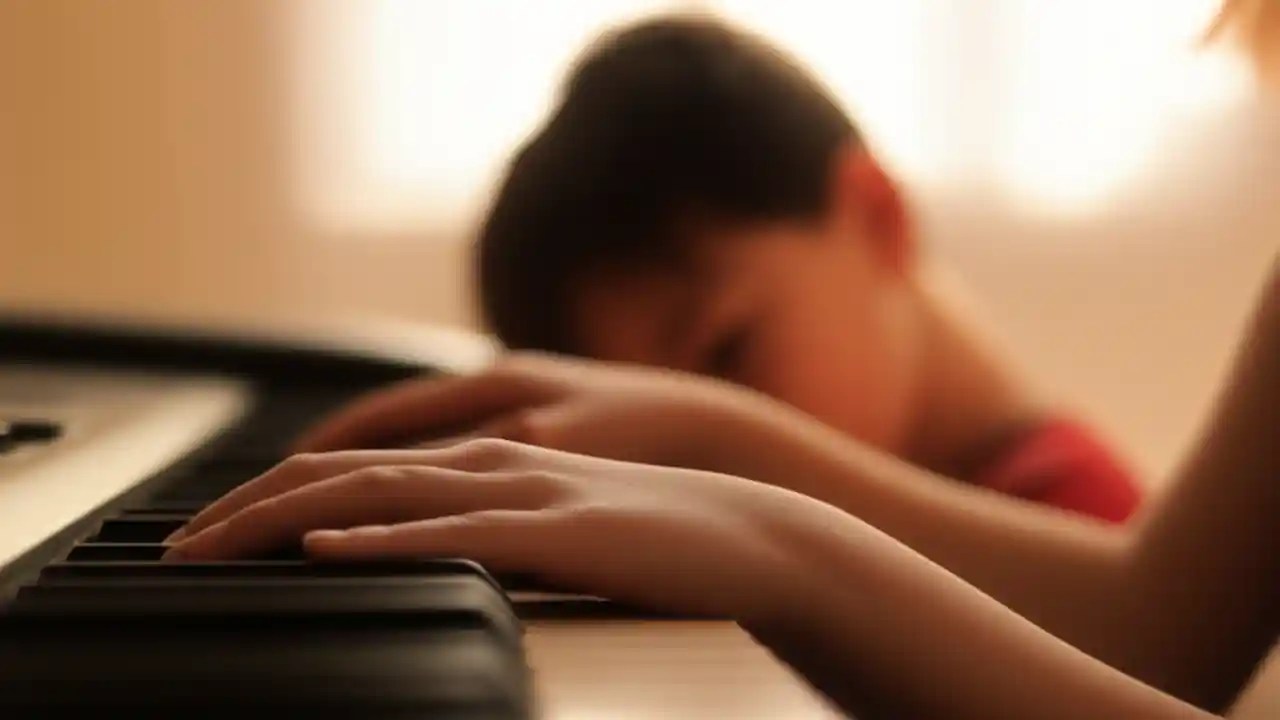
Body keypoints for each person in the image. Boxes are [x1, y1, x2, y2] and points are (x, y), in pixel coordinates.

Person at [162, 6, 1277, 718]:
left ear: (876, 215)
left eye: (728, 349)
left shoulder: (1056, 487)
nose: (712, 405)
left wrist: (749, 498)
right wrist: (716, 456)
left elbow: (1148, 657)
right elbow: (1159, 629)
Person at [471, 15, 1142, 522]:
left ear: (877, 216)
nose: (699, 459)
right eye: (653, 451)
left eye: (728, 353)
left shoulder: (1082, 542)